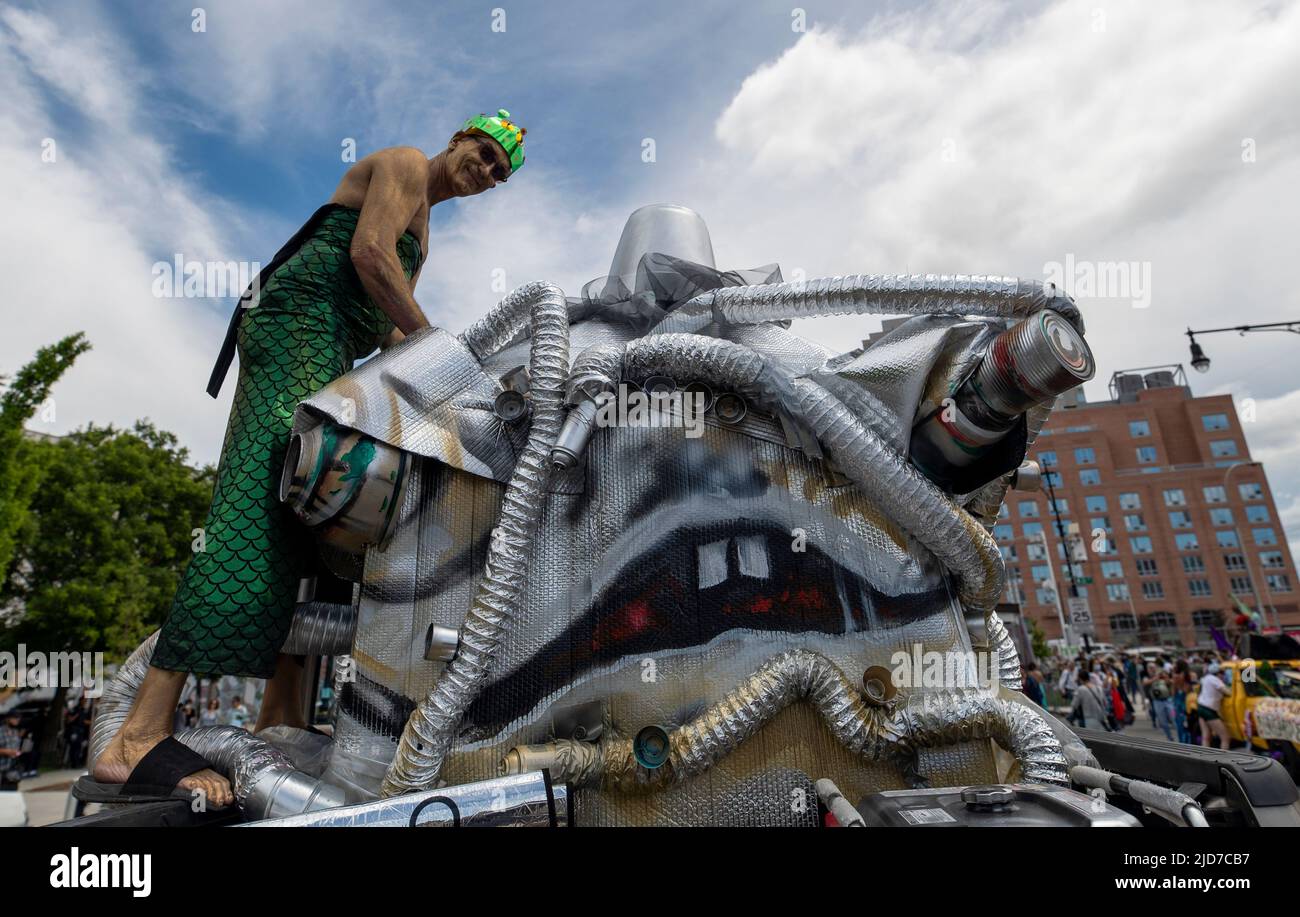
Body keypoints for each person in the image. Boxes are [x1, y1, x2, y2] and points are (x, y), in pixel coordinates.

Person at [92, 110, 527, 805]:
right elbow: (369, 256)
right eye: (483, 155)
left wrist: (450, 402)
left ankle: (282, 713)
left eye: (499, 174)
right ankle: (138, 733)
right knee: (261, 495)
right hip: (294, 324)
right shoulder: (407, 164)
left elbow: (387, 324)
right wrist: (443, 352)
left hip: (331, 346)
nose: (486, 173)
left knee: (319, 507)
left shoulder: (429, 228)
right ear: (458, 140)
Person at [1197, 661, 1231, 750]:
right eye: (1222, 673)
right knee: (1225, 737)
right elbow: (1228, 692)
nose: (1223, 675)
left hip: (1201, 707)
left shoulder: (1206, 678)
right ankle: (1222, 760)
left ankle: (1203, 759)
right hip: (1209, 710)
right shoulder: (1215, 680)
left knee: (1206, 737)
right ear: (1218, 673)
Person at [1142, 661, 1176, 742]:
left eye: (1153, 668)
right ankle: (1169, 737)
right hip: (1157, 702)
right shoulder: (1146, 676)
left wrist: (1165, 677)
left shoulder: (1162, 674)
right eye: (1150, 668)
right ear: (1148, 669)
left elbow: (1171, 682)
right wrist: (1155, 678)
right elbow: (1145, 683)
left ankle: (1181, 736)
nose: (1152, 669)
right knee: (1163, 721)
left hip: (1168, 700)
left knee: (1174, 717)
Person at [0, 713, 25, 789]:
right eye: (15, 718)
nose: (18, 720)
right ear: (7, 719)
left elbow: (16, 748)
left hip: (12, 769)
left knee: (12, 794)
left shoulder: (15, 732)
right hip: (1, 768)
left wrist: (20, 752)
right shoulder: (1, 731)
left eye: (19, 718)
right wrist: (8, 752)